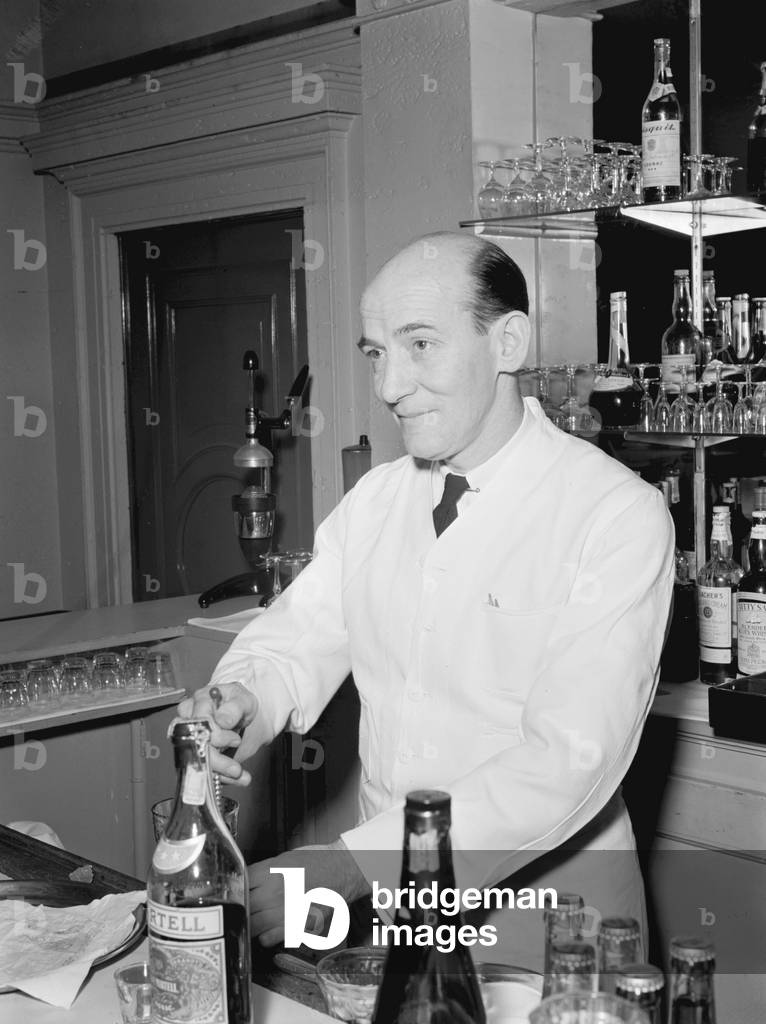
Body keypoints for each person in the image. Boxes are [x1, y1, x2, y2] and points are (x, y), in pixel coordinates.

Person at [179, 231, 675, 966]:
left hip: (550, 929)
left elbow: (568, 760)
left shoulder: (615, 514)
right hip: (403, 926)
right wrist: (242, 700)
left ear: (508, 342)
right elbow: (296, 638)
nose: (388, 386)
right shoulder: (376, 501)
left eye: (419, 345)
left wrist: (359, 863)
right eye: (376, 353)